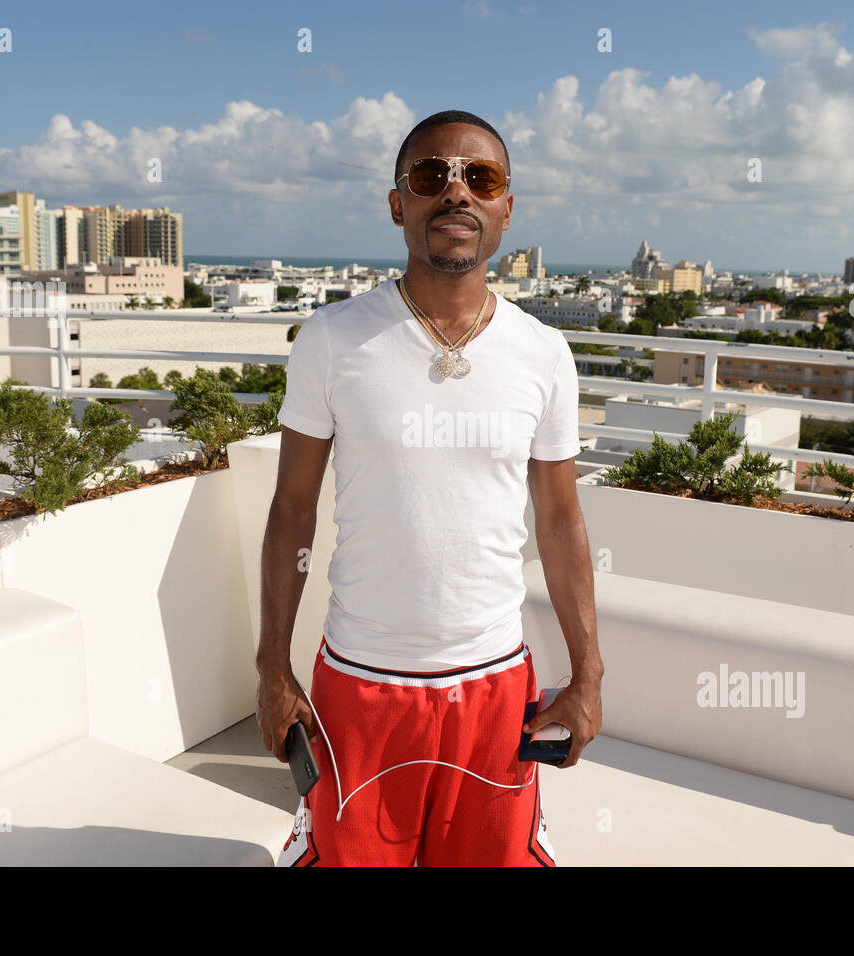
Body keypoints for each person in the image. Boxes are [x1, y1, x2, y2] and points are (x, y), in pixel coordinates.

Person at [256, 108, 603, 867]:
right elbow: (292, 511)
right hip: (358, 687)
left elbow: (561, 520)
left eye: (481, 178)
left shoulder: (544, 354)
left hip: (494, 687)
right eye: (429, 176)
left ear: (506, 209)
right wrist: (271, 666)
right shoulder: (331, 338)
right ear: (397, 205)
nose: (456, 194)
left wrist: (588, 675)